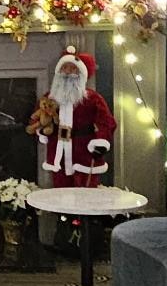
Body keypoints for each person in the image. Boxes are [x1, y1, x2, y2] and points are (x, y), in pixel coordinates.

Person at [29, 46, 115, 188]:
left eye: (73, 68)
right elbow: (36, 119)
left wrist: (101, 141)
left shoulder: (93, 98)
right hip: (59, 153)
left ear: (81, 73)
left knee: (85, 193)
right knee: (61, 191)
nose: (68, 72)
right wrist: (42, 130)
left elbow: (106, 122)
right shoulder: (49, 98)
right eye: (64, 68)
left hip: (84, 153)